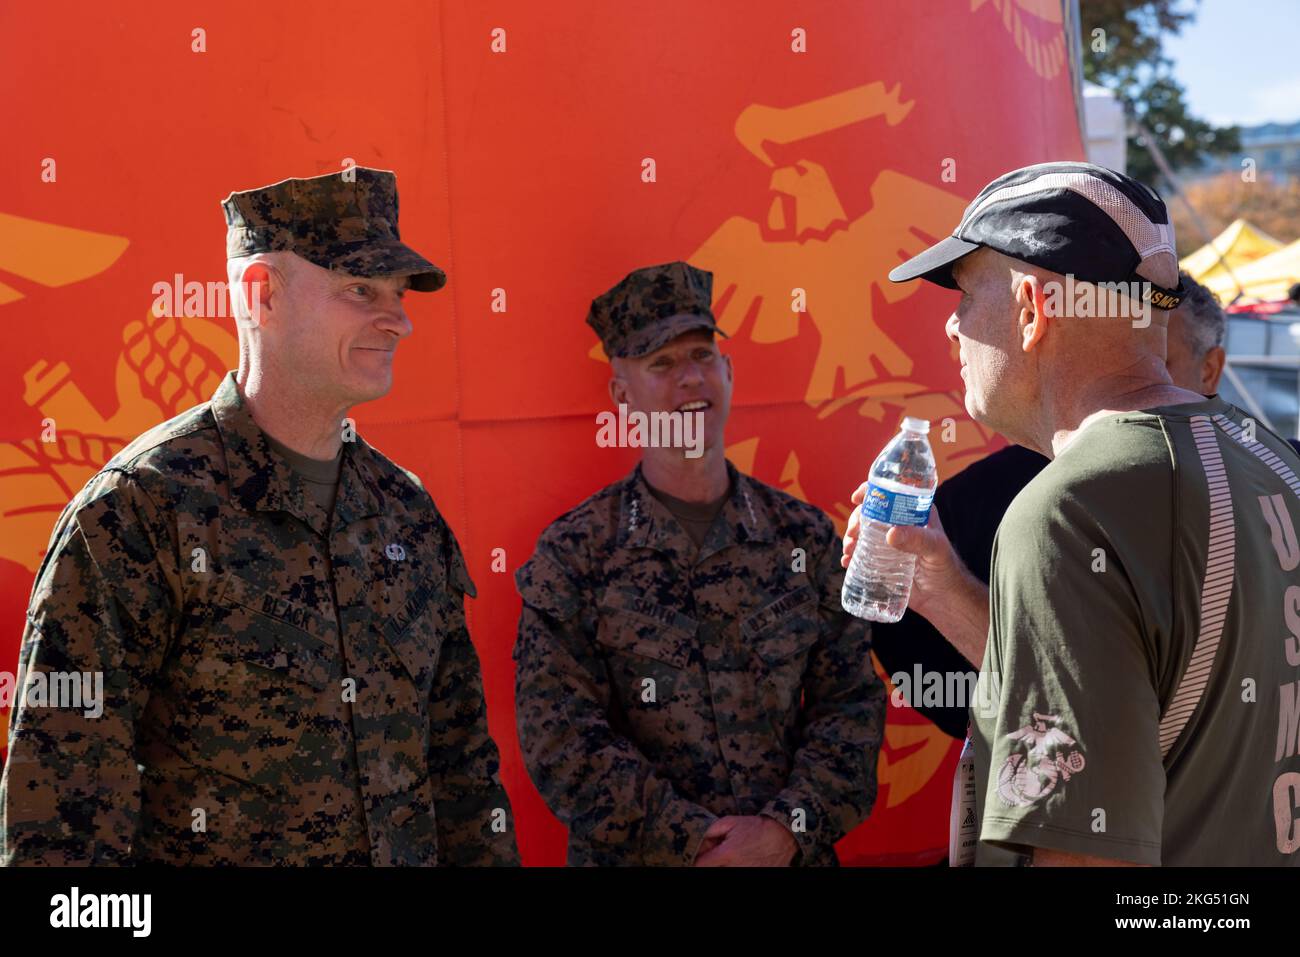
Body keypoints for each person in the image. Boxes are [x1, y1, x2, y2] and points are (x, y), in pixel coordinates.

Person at [0, 168, 518, 866]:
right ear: (261, 293)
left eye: (397, 295)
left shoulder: (407, 516)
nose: (398, 319)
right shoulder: (137, 515)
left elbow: (463, 781)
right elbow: (57, 834)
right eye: (360, 289)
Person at [847, 161, 1300, 865]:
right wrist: (939, 586)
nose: (951, 328)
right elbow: (1139, 693)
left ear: (1032, 310)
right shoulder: (1273, 460)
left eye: (964, 296)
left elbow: (1088, 851)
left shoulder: (1067, 509)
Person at [514, 261, 885, 866]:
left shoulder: (804, 537)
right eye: (661, 363)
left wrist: (783, 831)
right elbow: (561, 739)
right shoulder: (575, 554)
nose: (689, 378)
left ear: (729, 372)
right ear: (621, 395)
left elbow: (852, 706)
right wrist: (692, 842)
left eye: (702, 356)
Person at [871, 273, 1282, 743]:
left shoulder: (1274, 477)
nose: (1140, 377)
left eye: (1159, 362)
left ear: (1209, 370)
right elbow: (908, 639)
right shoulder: (1001, 489)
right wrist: (999, 723)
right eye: (1130, 356)